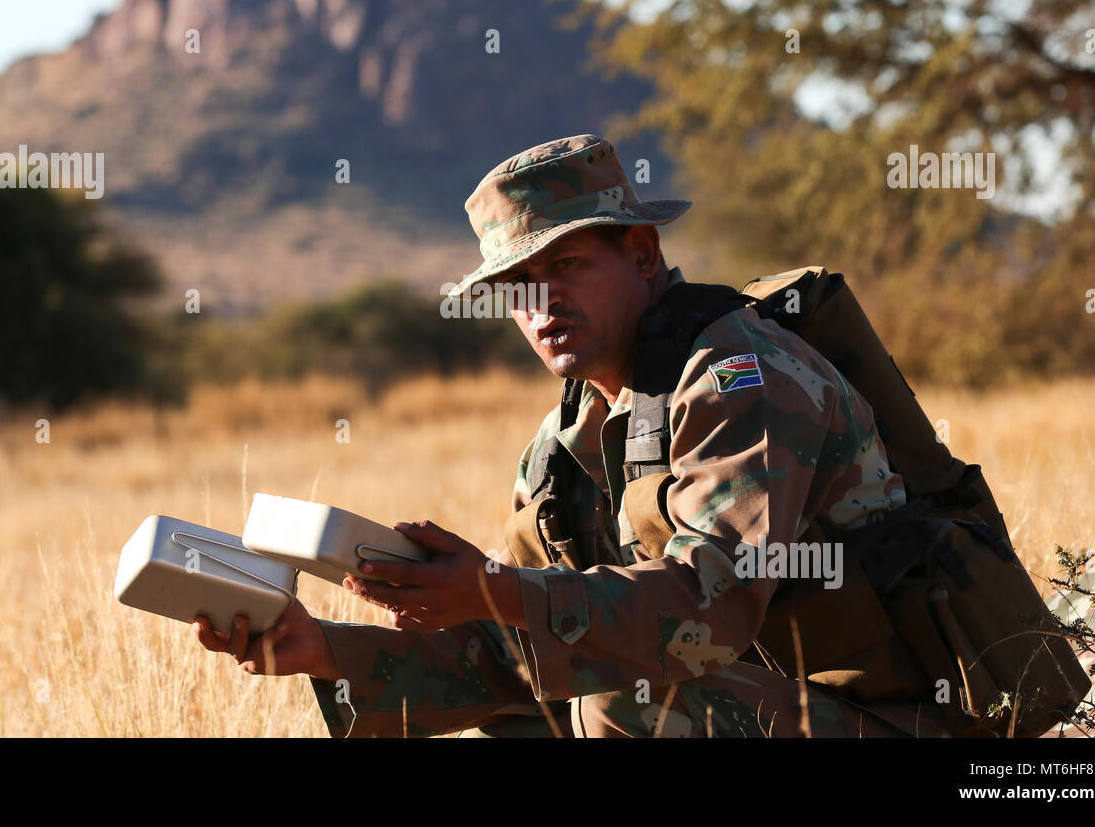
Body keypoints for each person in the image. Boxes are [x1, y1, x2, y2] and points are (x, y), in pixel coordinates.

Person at [193, 133, 952, 737]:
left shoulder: (742, 378)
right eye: (519, 286)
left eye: (570, 265)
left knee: (627, 705)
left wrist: (496, 589)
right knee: (531, 717)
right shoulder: (562, 447)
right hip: (758, 702)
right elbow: (519, 652)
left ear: (643, 256)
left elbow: (710, 608)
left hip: (896, 716)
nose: (543, 302)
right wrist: (325, 649)